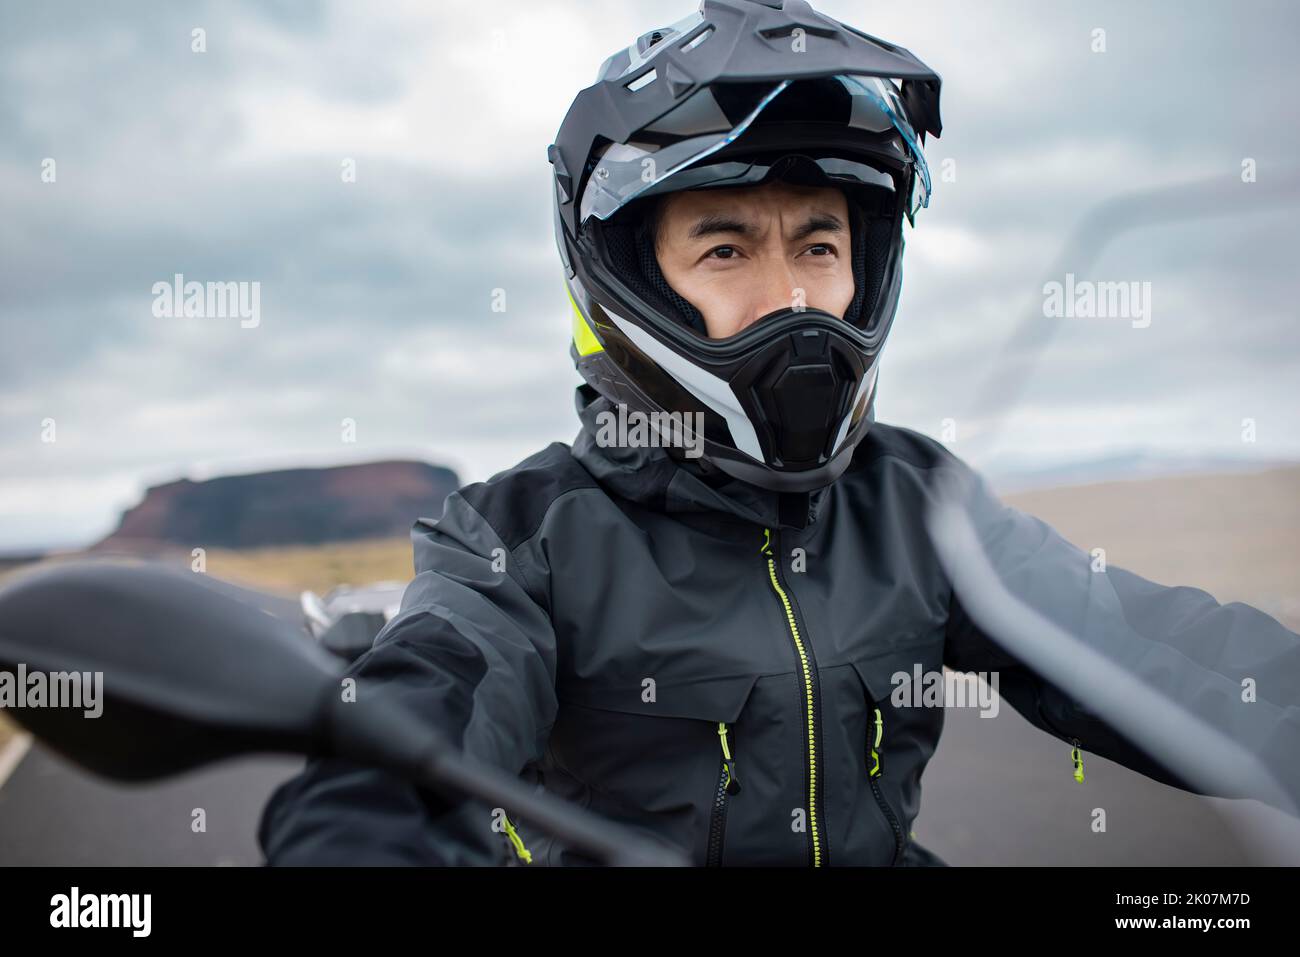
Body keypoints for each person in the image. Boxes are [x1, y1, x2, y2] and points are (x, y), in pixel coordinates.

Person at [259, 0, 1300, 866]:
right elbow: (416, 721)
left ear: (869, 266)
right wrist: (354, 833)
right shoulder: (516, 538)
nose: (792, 298)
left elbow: (1155, 649)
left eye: (818, 243)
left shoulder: (915, 502)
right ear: (627, 279)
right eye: (725, 249)